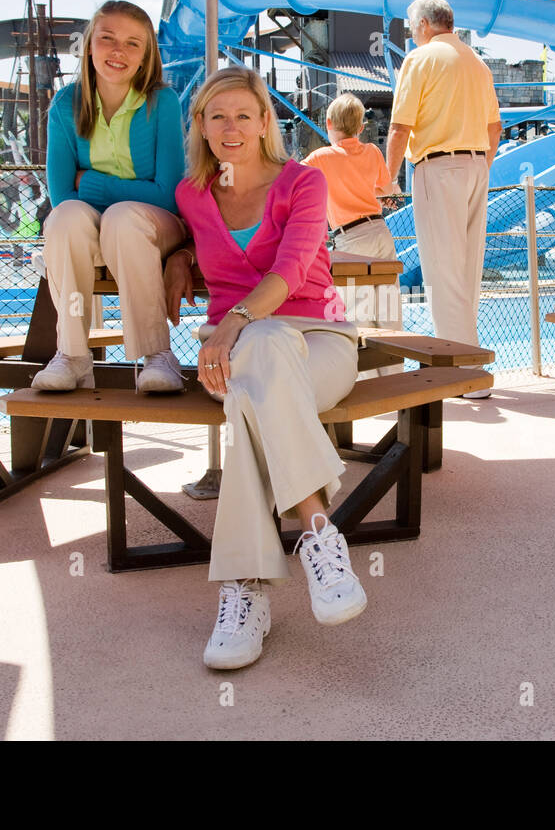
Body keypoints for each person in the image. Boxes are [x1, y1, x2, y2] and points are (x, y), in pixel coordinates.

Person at [164, 66, 367, 671]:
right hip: (238, 353)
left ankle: (246, 592)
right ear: (199, 124)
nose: (231, 127)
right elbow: (184, 235)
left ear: (264, 124)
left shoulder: (303, 183)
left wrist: (235, 320)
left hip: (319, 339)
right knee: (257, 375)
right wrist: (177, 254)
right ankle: (319, 539)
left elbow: (297, 263)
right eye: (217, 115)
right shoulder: (191, 195)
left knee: (263, 356)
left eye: (243, 116)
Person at [34, 0, 188, 393]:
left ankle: (157, 355)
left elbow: (167, 196)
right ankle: (72, 355)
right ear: (88, 46)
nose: (118, 52)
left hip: (155, 231)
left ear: (145, 57)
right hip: (96, 236)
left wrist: (95, 185)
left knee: (122, 218)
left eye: (132, 43)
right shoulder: (65, 106)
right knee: (65, 219)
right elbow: (63, 196)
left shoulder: (161, 103)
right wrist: (99, 194)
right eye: (107, 39)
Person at [385, 0, 502, 398]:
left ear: (422, 25)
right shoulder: (477, 63)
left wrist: (387, 181)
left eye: (410, 27)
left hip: (438, 165)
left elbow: (400, 128)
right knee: (467, 269)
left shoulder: (420, 60)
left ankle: (465, 372)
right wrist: (480, 165)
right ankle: (468, 363)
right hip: (476, 166)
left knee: (441, 268)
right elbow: (495, 129)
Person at [303, 93, 403, 373]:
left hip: (350, 238)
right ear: (361, 127)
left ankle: (367, 380)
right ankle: (394, 378)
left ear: (329, 122)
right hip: (380, 231)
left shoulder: (320, 158)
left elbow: (290, 181)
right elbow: (384, 189)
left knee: (358, 313)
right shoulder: (372, 151)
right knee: (388, 309)